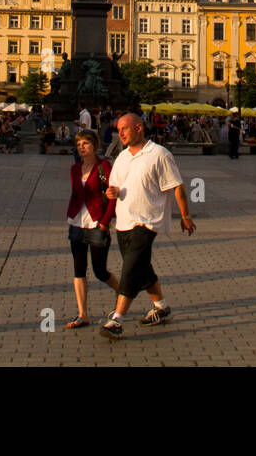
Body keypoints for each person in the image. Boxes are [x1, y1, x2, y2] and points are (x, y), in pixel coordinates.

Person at [100, 113, 195, 339]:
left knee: (130, 269)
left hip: (148, 221)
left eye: (124, 128)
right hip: (123, 221)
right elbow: (114, 187)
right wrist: (110, 193)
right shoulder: (121, 157)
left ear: (139, 128)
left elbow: (177, 187)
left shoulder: (159, 154)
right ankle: (161, 307)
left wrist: (186, 216)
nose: (120, 133)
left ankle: (117, 320)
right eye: (118, 128)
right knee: (141, 268)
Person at [65, 131, 119, 328]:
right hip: (77, 223)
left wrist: (105, 222)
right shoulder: (74, 168)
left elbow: (112, 197)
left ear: (94, 146)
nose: (81, 146)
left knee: (99, 270)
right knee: (79, 269)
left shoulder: (104, 167)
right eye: (79, 143)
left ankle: (121, 293)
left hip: (97, 222)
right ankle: (82, 314)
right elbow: (76, 194)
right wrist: (70, 215)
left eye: (85, 143)